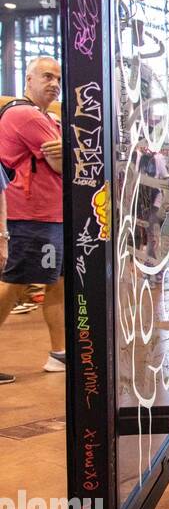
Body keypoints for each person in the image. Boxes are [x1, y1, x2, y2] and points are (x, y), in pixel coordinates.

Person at [0, 57, 66, 384]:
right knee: (15, 283)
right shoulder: (26, 115)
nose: (54, 83)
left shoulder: (47, 116)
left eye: (57, 78)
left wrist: (70, 150)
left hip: (50, 214)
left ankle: (59, 353)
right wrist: (74, 151)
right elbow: (62, 165)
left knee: (56, 282)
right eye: (46, 76)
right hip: (33, 215)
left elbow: (70, 157)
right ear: (28, 79)